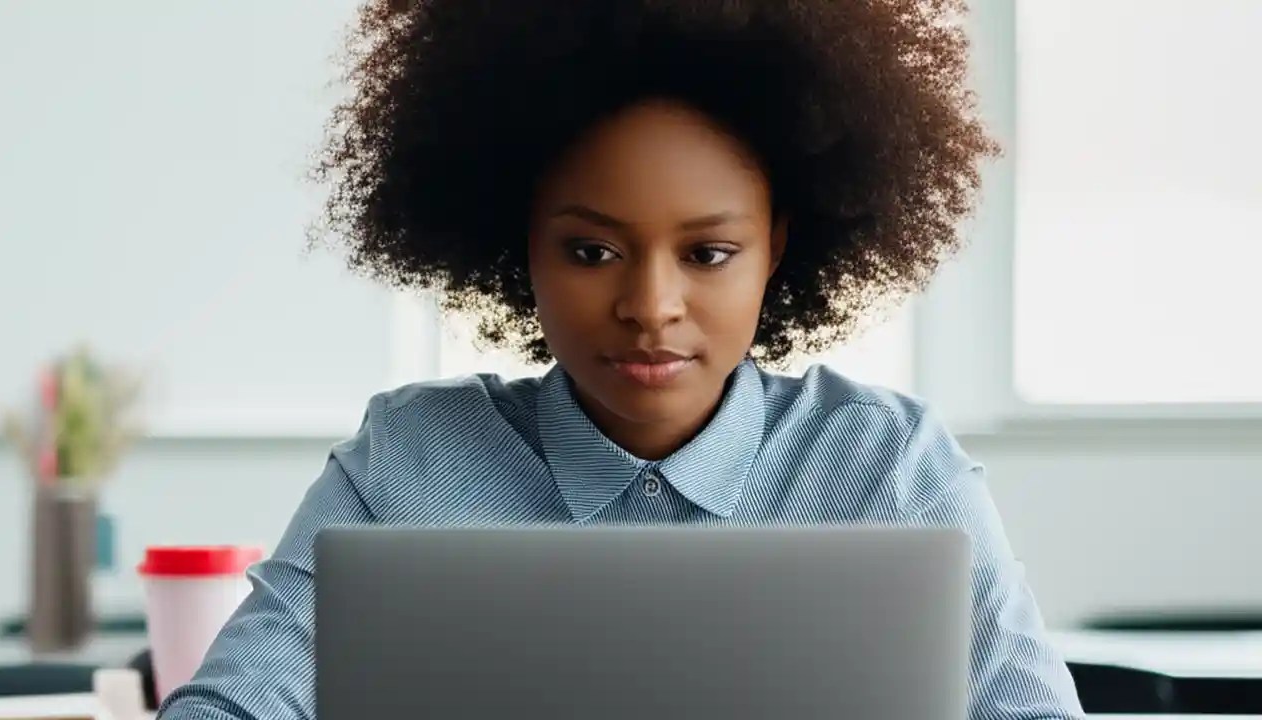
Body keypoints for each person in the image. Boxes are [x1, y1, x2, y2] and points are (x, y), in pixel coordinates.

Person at [159, 0, 1084, 717]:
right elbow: (237, 701)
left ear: (779, 248)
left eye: (708, 254)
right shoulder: (407, 464)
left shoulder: (891, 467)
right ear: (520, 245)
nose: (649, 307)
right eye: (591, 252)